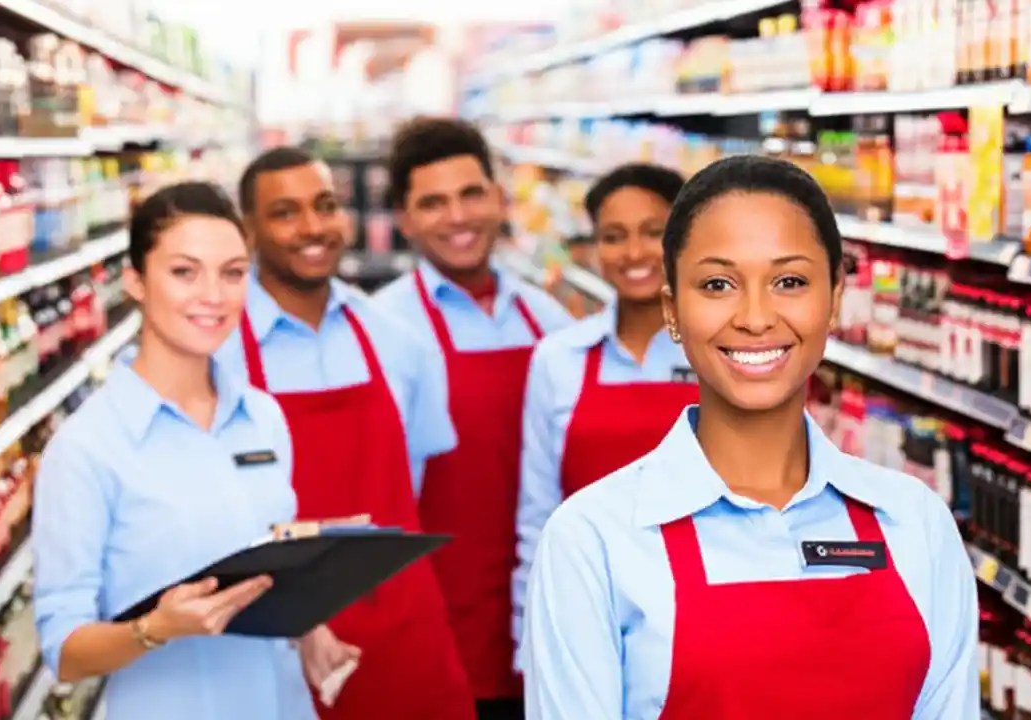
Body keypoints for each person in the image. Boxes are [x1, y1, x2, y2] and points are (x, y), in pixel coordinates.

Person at [520, 156, 978, 719]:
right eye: (718, 284)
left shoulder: (915, 523)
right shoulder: (594, 541)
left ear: (835, 298)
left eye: (790, 281)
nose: (756, 317)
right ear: (673, 309)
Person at [31, 182, 358, 720]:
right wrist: (155, 629)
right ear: (135, 282)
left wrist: (309, 630)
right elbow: (63, 653)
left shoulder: (263, 418)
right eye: (184, 272)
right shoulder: (88, 448)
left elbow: (267, 572)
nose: (213, 294)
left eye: (232, 273)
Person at [213, 147, 475, 720]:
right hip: (276, 636)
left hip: (405, 627)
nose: (312, 228)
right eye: (285, 212)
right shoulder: (217, 354)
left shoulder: (399, 338)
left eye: (325, 206)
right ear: (248, 231)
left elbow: (419, 484)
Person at [373, 117, 572, 719]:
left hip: (546, 614)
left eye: (469, 194)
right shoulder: (384, 330)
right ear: (405, 221)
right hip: (437, 619)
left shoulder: (549, 321)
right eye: (432, 203)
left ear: (498, 197)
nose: (457, 217)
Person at [512, 163, 696, 662]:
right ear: (594, 247)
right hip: (585, 608)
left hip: (701, 607)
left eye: (653, 233)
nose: (634, 253)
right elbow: (537, 513)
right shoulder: (559, 359)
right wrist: (530, 639)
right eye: (613, 236)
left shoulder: (716, 352)